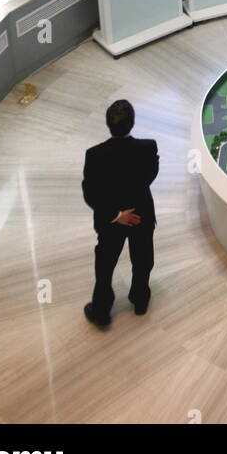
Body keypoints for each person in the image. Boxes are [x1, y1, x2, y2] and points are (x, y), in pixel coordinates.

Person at [82, 99, 159, 327]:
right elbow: (149, 176)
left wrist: (116, 215)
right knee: (143, 260)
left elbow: (90, 194)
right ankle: (140, 301)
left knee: (105, 267)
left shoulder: (94, 155)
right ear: (133, 123)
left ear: (108, 124)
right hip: (141, 215)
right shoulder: (148, 148)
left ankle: (101, 311)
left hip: (110, 222)